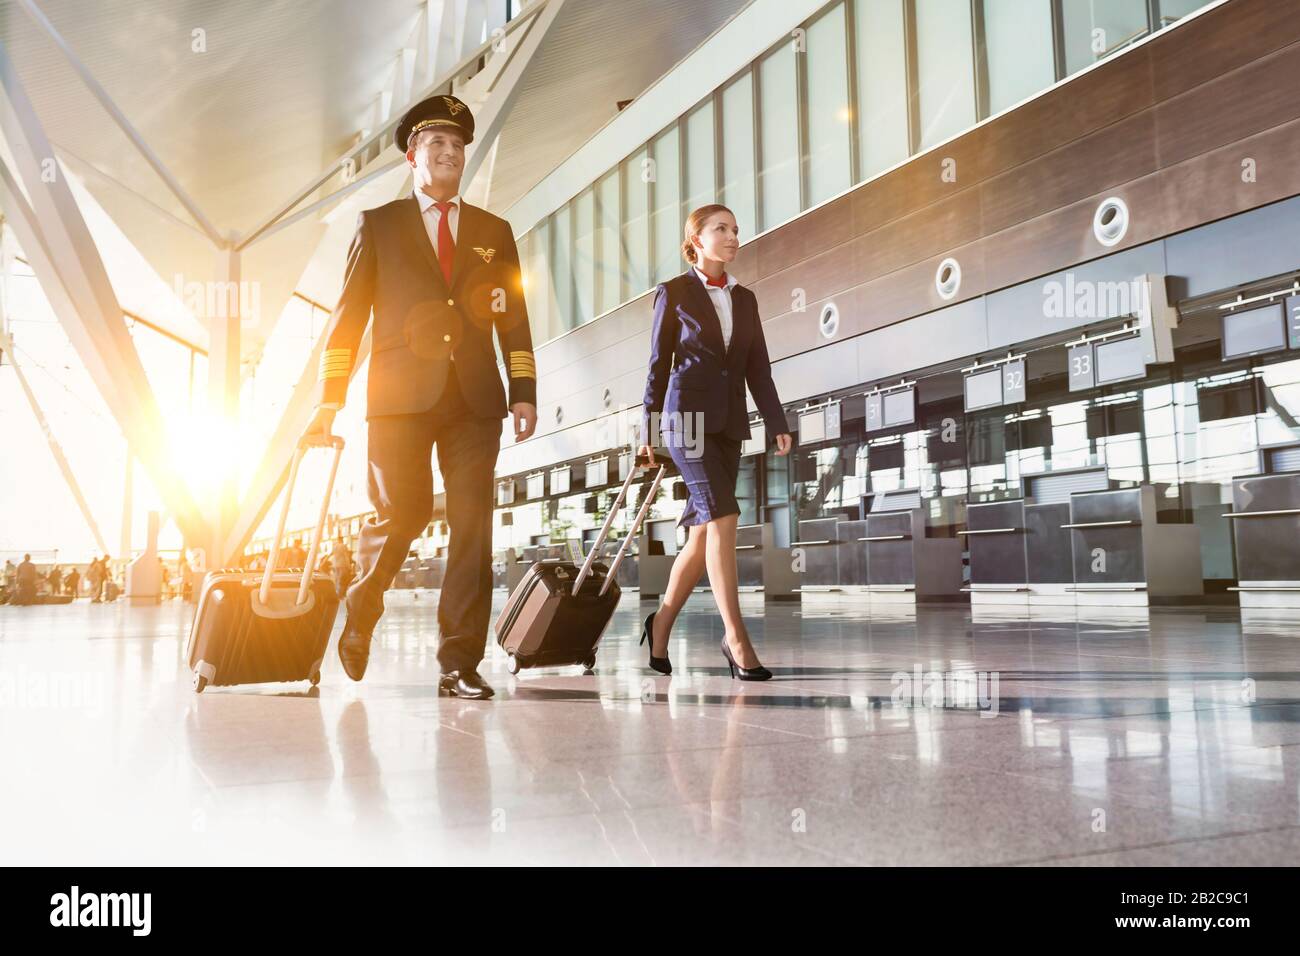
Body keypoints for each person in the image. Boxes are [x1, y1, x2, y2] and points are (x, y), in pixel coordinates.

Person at [301, 93, 538, 700]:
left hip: (475, 399)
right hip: (399, 398)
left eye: (458, 146)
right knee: (401, 514)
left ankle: (458, 663)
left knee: (471, 529)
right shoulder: (378, 225)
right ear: (414, 157)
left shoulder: (494, 231)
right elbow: (347, 319)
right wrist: (330, 397)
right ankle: (364, 598)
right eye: (437, 144)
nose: (449, 153)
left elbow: (512, 317)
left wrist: (524, 391)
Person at [638, 203, 793, 681]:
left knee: (704, 531)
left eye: (735, 229)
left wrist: (776, 420)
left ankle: (660, 624)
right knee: (725, 514)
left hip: (729, 425)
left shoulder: (745, 299)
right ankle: (736, 637)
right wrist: (647, 433)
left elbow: (757, 369)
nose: (731, 236)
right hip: (684, 422)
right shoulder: (674, 293)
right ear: (696, 240)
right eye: (720, 229)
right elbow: (657, 366)